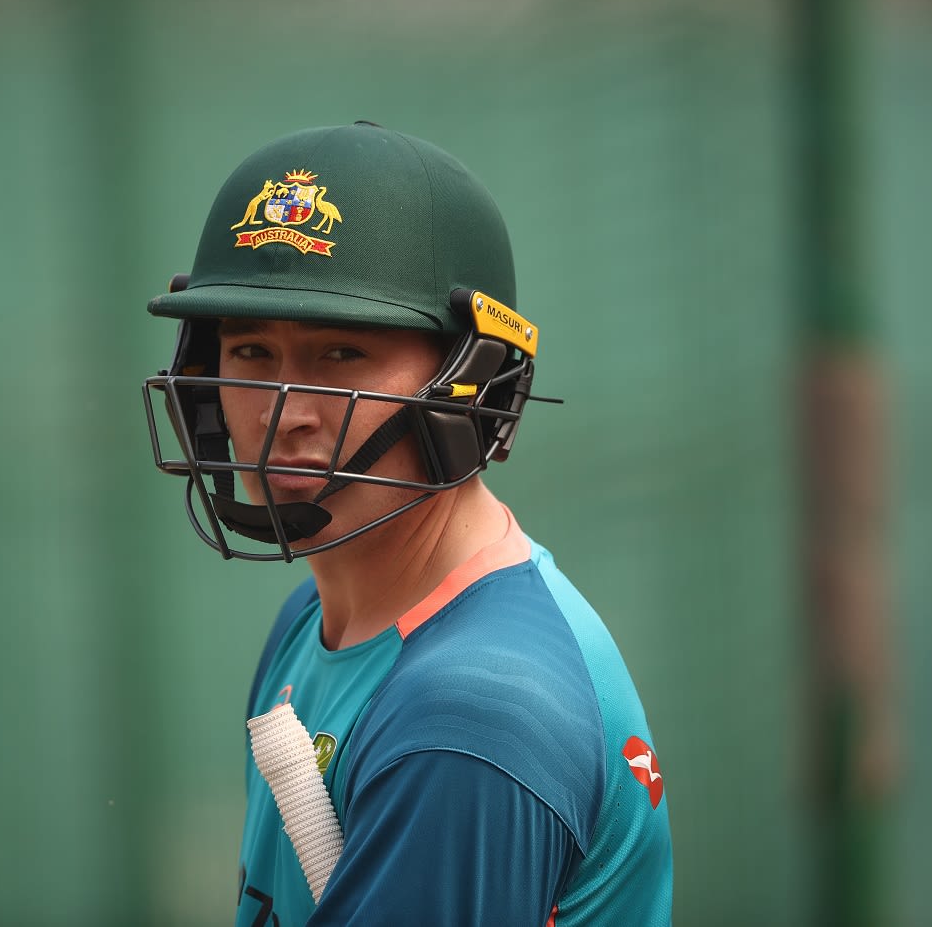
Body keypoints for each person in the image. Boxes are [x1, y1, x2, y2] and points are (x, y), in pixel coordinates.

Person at [142, 122, 672, 926]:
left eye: (341, 354)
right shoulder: (318, 616)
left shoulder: (468, 719)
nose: (284, 414)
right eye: (250, 350)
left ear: (477, 381)